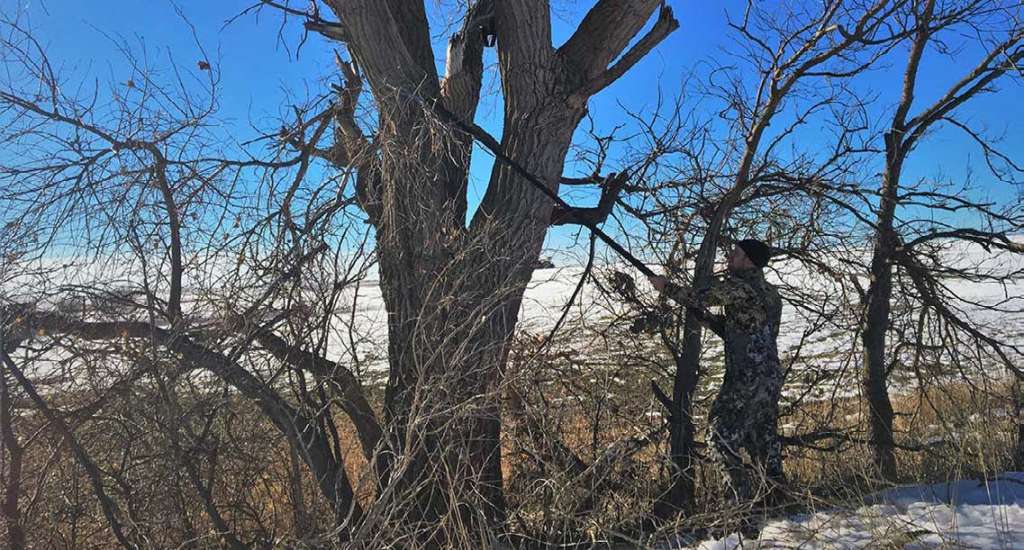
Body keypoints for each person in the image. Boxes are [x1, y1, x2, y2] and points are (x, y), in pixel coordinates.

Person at [649, 239, 785, 500]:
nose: (730, 257)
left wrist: (666, 287)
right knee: (763, 438)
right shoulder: (770, 293)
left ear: (748, 260)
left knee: (719, 437)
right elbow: (752, 332)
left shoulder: (739, 287)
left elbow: (699, 297)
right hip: (770, 377)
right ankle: (779, 498)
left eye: (736, 253)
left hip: (746, 377)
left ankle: (739, 504)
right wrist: (711, 321)